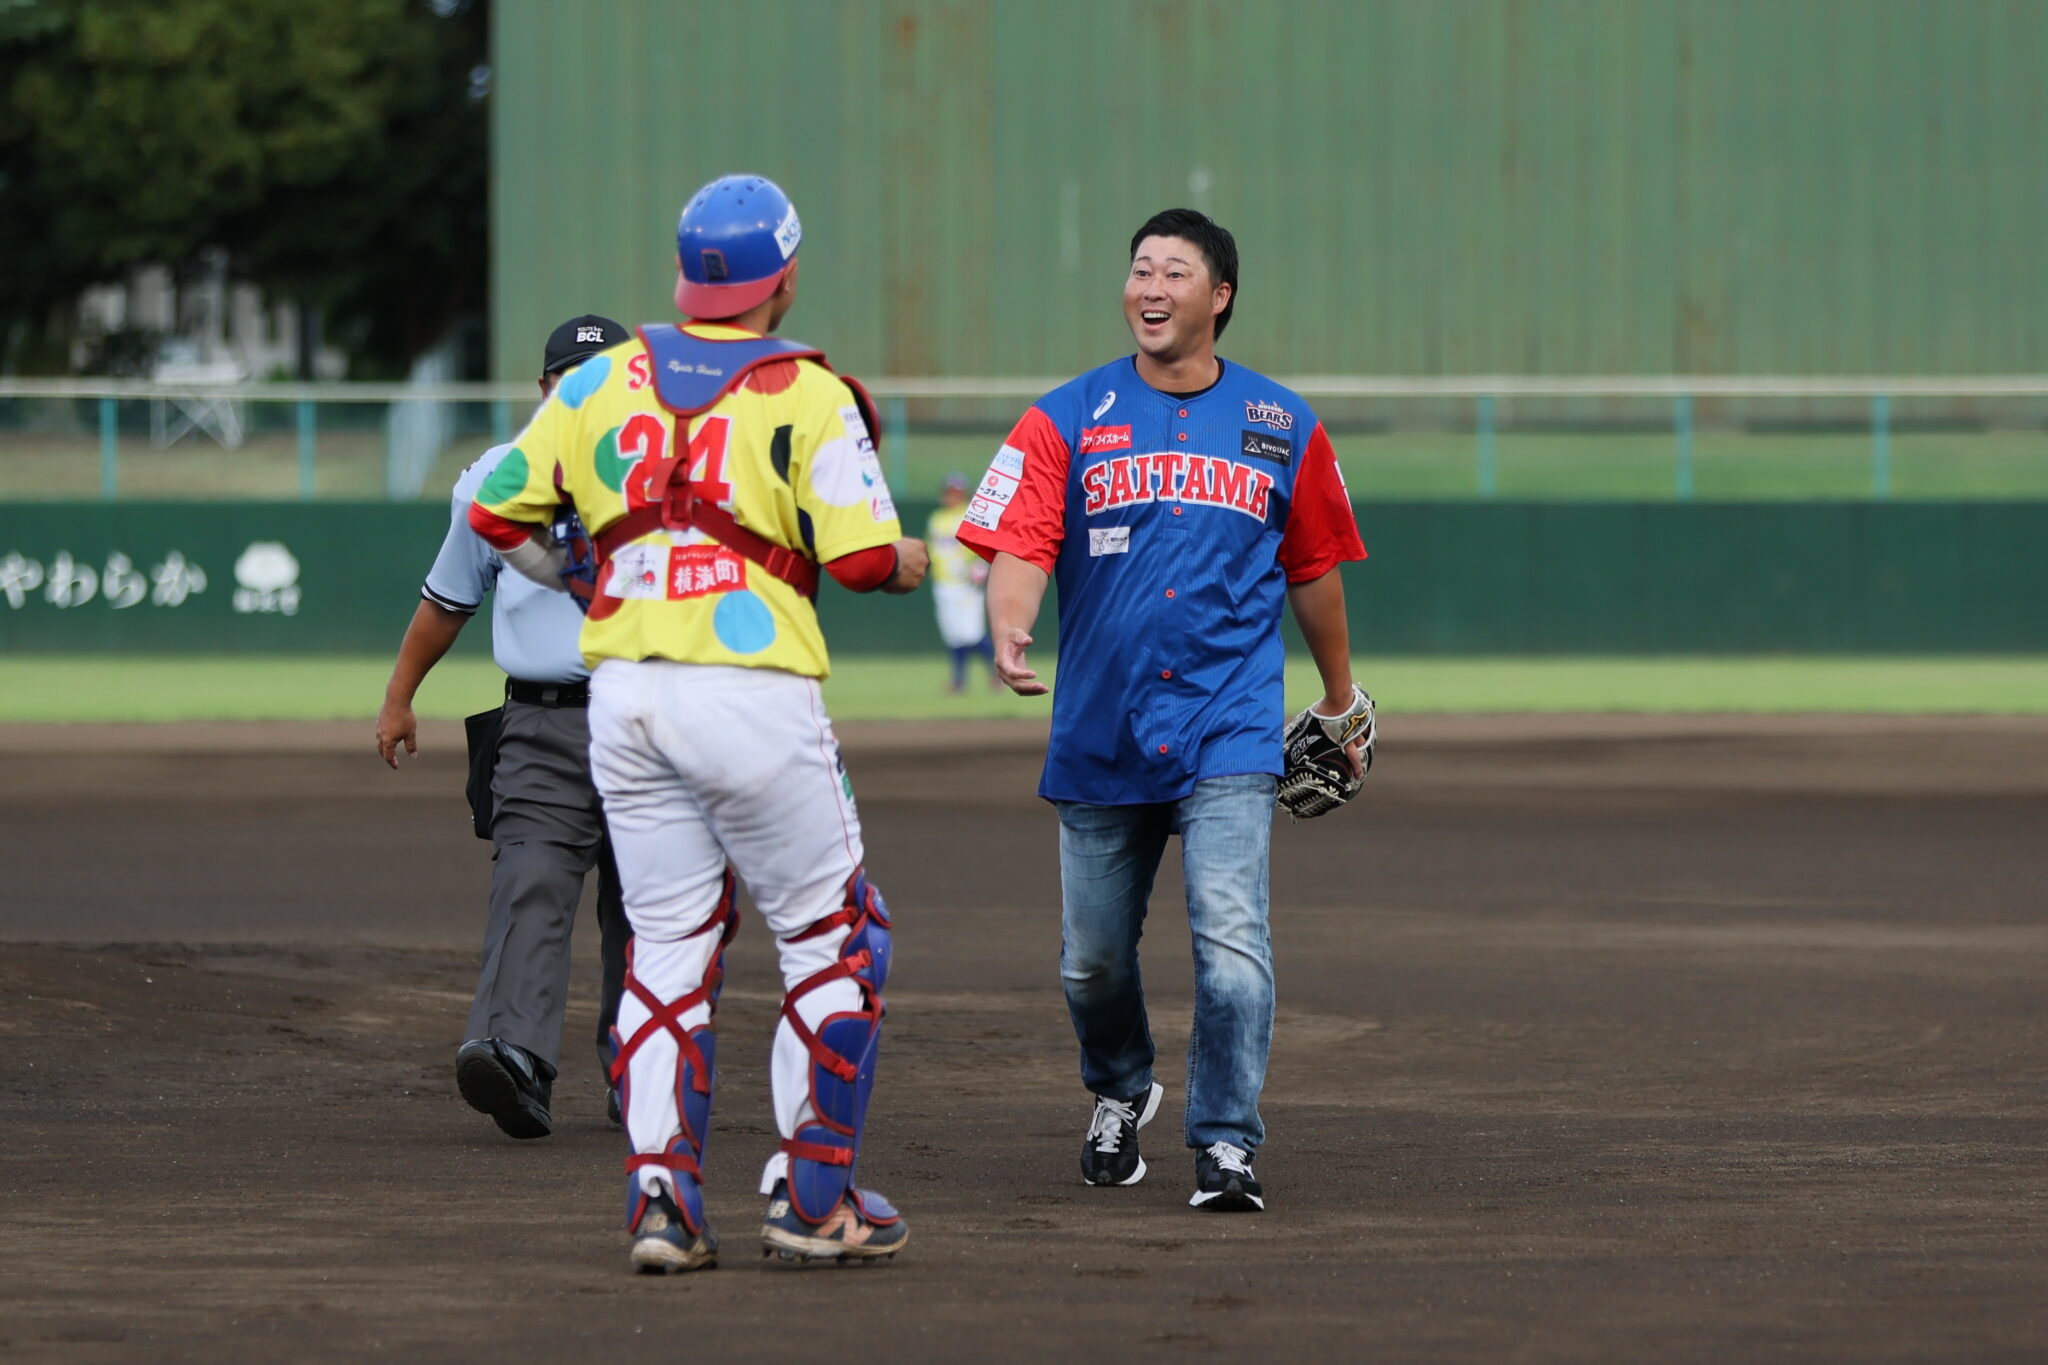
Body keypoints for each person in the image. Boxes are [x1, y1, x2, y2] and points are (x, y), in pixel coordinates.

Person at [465, 174, 929, 1273]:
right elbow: (862, 560)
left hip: (622, 694)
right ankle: (814, 1199)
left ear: (684, 274)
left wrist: (579, 573)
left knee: (668, 945)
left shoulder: (600, 379)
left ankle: (661, 1207)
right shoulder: (806, 390)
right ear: (787, 274)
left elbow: (496, 511)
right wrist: (910, 563)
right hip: (749, 689)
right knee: (836, 935)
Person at [956, 208, 1370, 1213]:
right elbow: (1018, 541)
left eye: (1172, 271)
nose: (1149, 287)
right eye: (1139, 269)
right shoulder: (1065, 414)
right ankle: (1119, 1086)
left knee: (1230, 942)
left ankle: (1224, 1141)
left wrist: (1336, 696)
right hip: (1100, 727)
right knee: (1089, 964)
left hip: (1228, 723)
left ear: (1216, 295)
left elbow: (1312, 568)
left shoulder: (1283, 424)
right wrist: (1008, 623)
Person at [375, 314, 636, 1142]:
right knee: (529, 878)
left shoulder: (675, 475)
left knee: (654, 904)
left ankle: (648, 1068)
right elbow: (447, 599)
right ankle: (515, 1058)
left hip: (656, 717)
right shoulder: (496, 477)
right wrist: (399, 695)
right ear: (544, 389)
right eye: (573, 379)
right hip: (541, 718)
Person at [926, 472, 997, 692]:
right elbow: (933, 550)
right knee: (954, 635)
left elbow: (984, 549)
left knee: (971, 633)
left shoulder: (971, 514)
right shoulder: (936, 518)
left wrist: (979, 569)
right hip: (943, 583)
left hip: (966, 584)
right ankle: (959, 682)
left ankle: (999, 671)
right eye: (949, 492)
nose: (952, 496)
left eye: (956, 492)